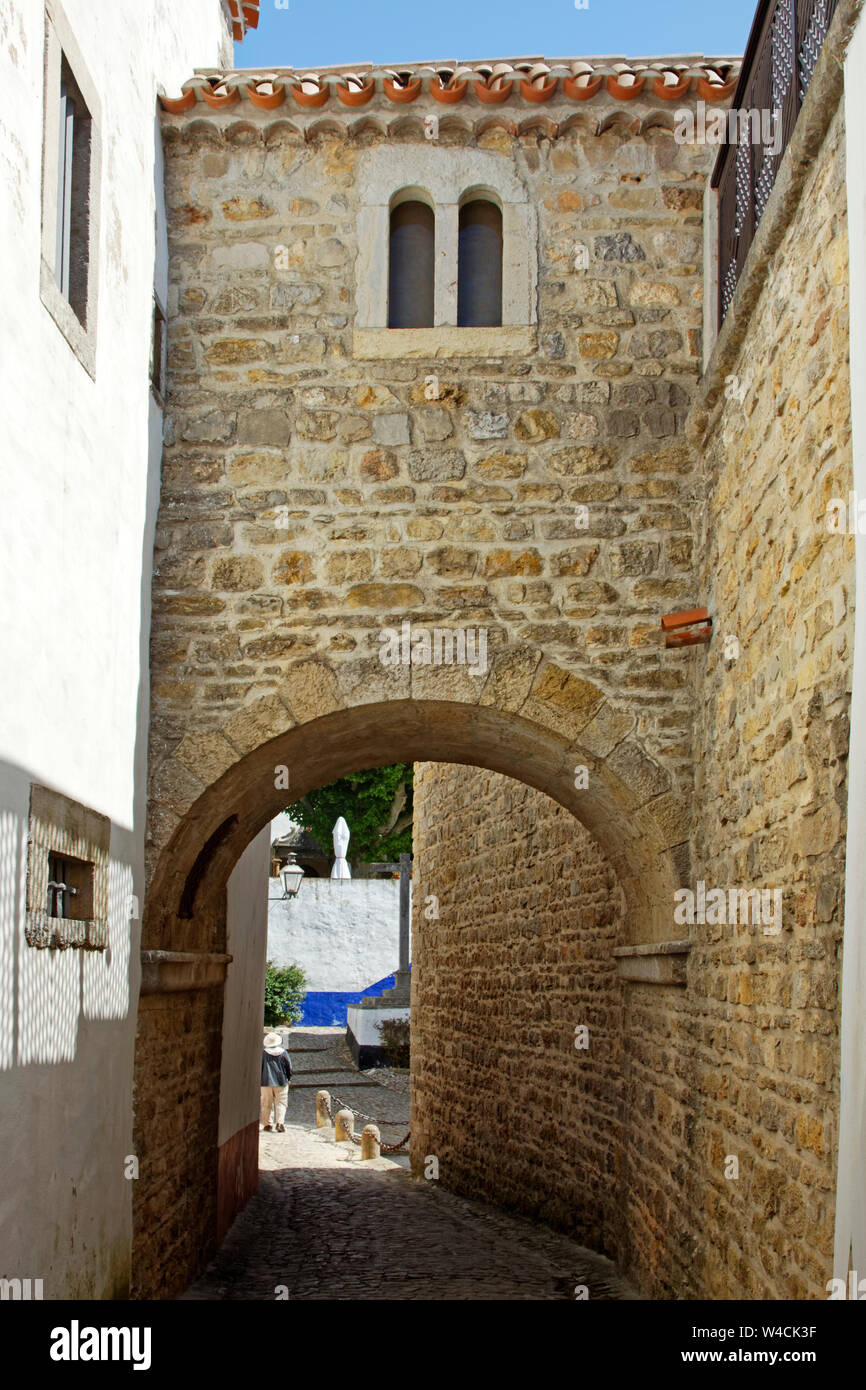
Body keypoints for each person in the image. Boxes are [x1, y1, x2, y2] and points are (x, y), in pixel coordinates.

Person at [261, 1031, 293, 1133]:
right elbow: (289, 1067)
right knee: (281, 1103)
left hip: (266, 1081)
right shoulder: (283, 1053)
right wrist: (288, 1078)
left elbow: (259, 1066)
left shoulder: (263, 1053)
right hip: (281, 1081)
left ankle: (267, 1124)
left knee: (266, 1103)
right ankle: (279, 1123)